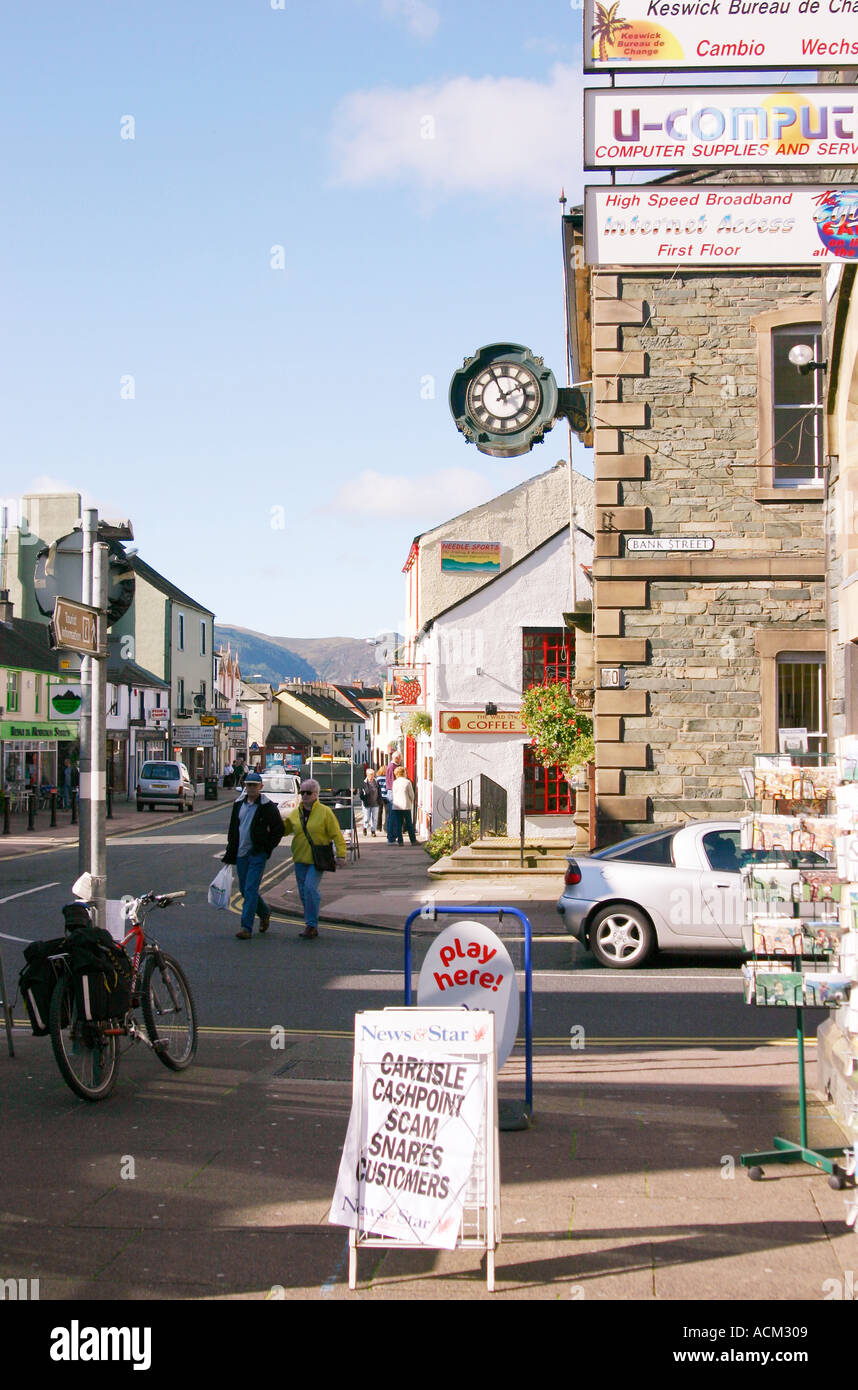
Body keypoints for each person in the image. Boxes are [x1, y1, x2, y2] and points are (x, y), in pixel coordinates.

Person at [222, 769, 285, 939]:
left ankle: (246, 927)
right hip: (241, 853)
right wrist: (231, 849)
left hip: (257, 854)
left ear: (260, 787)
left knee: (250, 889)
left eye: (254, 785)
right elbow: (233, 829)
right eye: (248, 785)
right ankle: (264, 912)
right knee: (244, 890)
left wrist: (267, 848)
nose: (251, 788)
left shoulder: (267, 806)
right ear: (244, 786)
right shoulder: (238, 804)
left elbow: (279, 829)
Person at [282, 779, 347, 939]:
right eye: (302, 792)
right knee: (304, 893)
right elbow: (284, 830)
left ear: (316, 794)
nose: (304, 795)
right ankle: (311, 922)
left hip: (317, 858)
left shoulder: (325, 812)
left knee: (310, 889)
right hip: (299, 857)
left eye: (308, 792)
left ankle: (311, 924)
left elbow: (336, 834)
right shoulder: (296, 813)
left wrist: (341, 854)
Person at [389, 765, 417, 845]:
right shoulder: (407, 782)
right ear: (403, 773)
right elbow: (412, 794)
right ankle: (413, 840)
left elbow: (394, 793)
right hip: (406, 805)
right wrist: (411, 800)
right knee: (409, 823)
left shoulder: (395, 783)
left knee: (398, 824)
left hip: (397, 806)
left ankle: (400, 841)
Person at [359, 768, 382, 837]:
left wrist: (380, 800)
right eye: (371, 775)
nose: (372, 776)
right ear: (367, 775)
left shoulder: (376, 782)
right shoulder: (363, 783)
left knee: (375, 818)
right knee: (366, 818)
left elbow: (379, 791)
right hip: (367, 803)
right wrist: (364, 799)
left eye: (373, 774)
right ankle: (365, 827)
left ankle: (373, 831)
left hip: (375, 802)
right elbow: (360, 793)